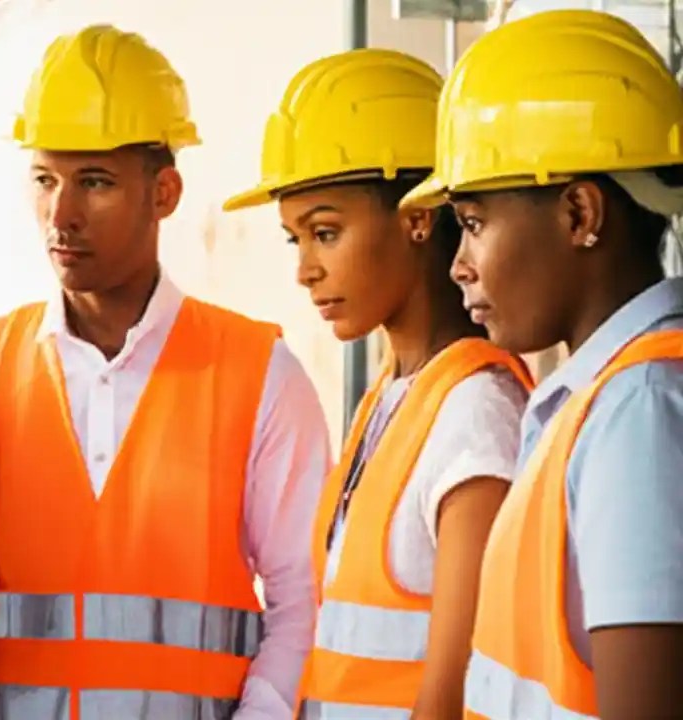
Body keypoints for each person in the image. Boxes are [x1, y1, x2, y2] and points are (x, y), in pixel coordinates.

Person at [0, 24, 332, 720]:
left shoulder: (261, 374)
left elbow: (304, 601)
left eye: (94, 183)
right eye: (44, 180)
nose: (60, 215)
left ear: (165, 192)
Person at [222, 48, 532, 719]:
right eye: (294, 240)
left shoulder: (476, 411)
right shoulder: (389, 401)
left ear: (419, 218)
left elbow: (456, 690)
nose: (305, 269)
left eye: (325, 233)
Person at [401, 9, 683, 718]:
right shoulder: (598, 399)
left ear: (579, 215)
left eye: (471, 223)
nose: (458, 266)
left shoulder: (638, 411)